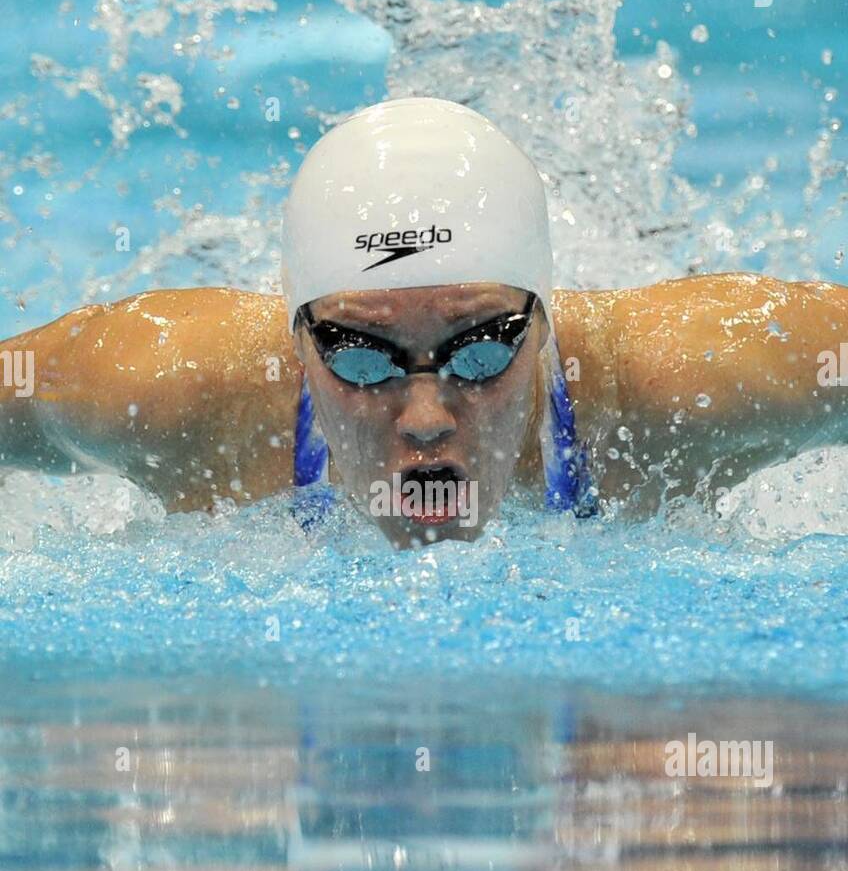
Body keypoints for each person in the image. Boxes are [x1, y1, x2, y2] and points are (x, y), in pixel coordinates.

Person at [1, 95, 847, 548]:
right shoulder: (165, 386)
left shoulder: (687, 379)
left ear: (545, 325)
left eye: (480, 353)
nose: (427, 417)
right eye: (363, 360)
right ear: (296, 344)